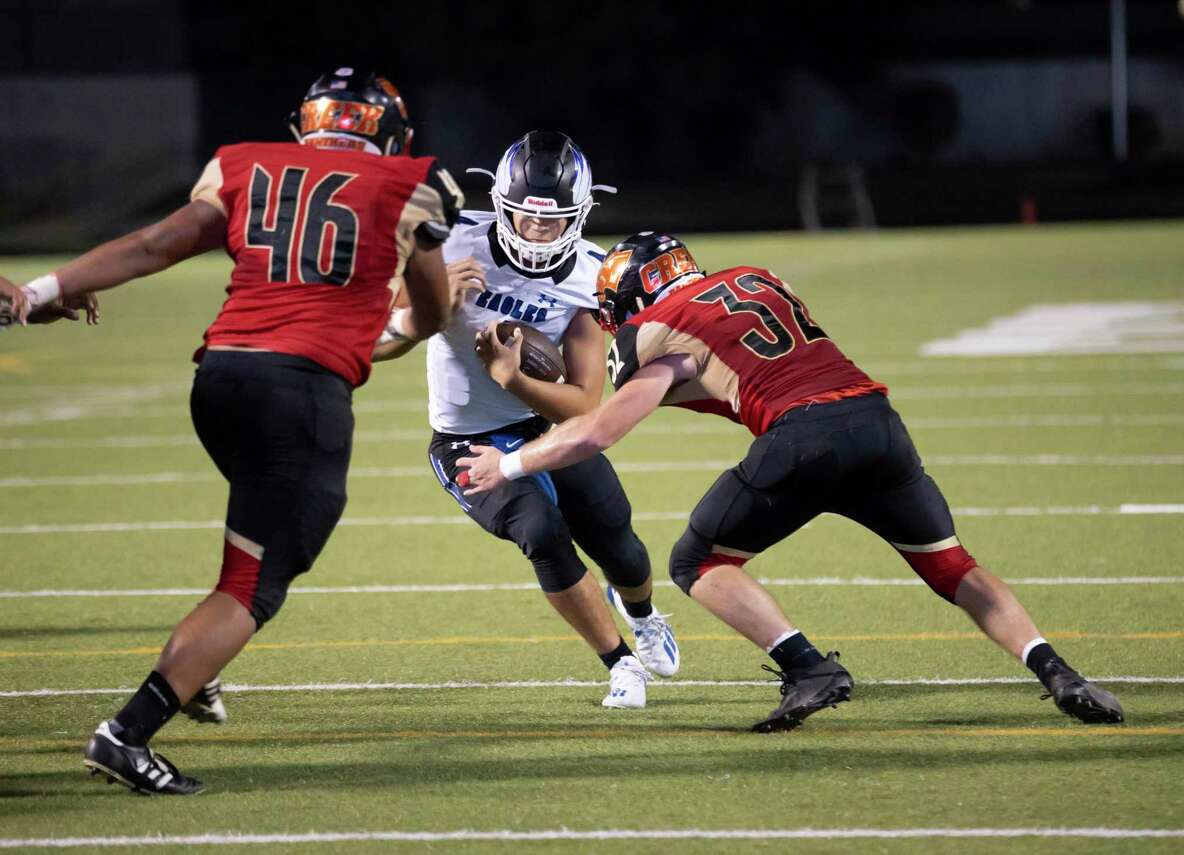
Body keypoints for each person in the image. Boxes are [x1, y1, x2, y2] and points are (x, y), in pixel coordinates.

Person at [459, 231, 1125, 732]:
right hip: (877, 422)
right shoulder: (755, 279)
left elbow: (601, 428)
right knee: (952, 564)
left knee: (697, 559)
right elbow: (728, 371)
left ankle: (808, 665)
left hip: (803, 437)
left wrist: (508, 462)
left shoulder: (654, 331)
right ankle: (1056, 670)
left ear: (628, 299)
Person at [3, 67, 460, 793]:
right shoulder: (410, 183)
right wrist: (397, 324)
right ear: (391, 133)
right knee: (255, 581)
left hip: (219, 380)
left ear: (305, 122)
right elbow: (431, 314)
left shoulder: (248, 163)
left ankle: (200, 670)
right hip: (300, 395)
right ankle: (127, 733)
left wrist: (36, 290)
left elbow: (156, 244)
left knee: (255, 530)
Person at [375, 132, 679, 710]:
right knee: (540, 533)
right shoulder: (450, 239)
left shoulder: (593, 272)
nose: (538, 231)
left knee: (620, 545)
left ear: (582, 213)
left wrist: (513, 379)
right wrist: (427, 306)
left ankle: (641, 613)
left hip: (546, 426)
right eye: (525, 217)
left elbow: (585, 402)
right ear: (499, 203)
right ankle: (621, 665)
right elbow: (378, 340)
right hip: (464, 435)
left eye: (554, 220)